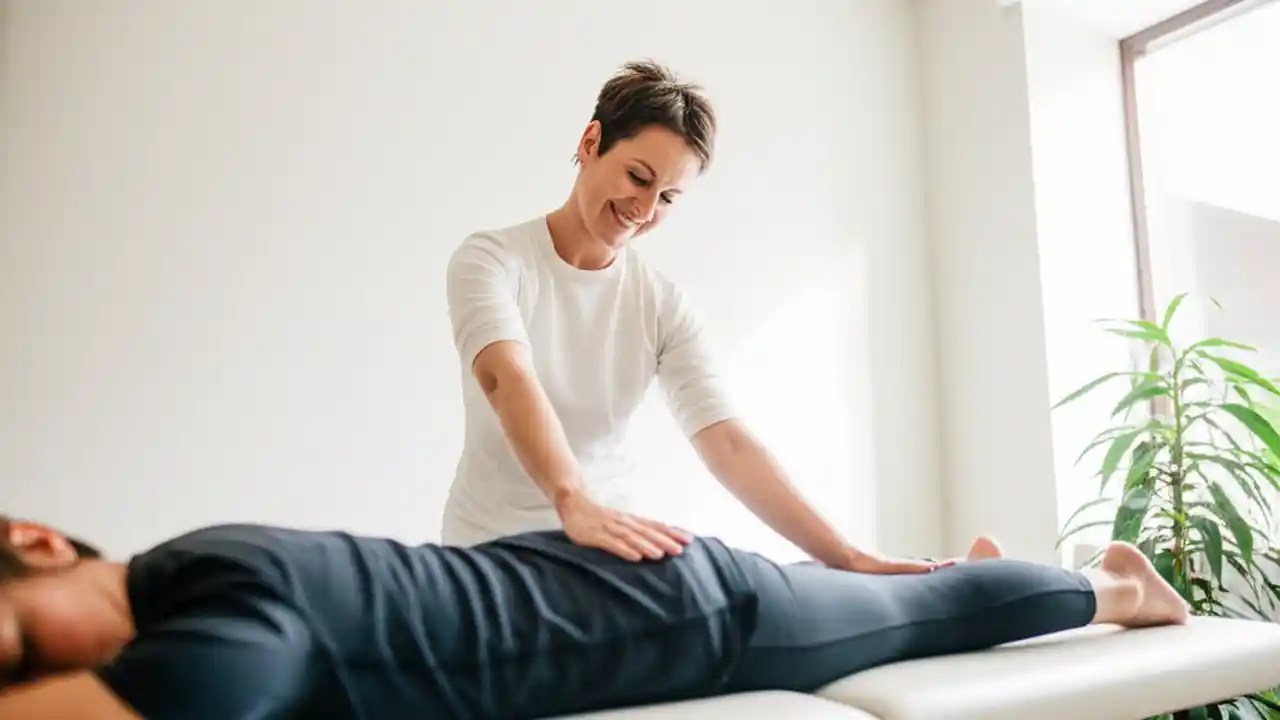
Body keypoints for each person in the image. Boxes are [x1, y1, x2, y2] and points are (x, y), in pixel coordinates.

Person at [443, 58, 934, 573]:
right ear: (591, 143)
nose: (645, 208)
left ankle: (958, 578)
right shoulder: (492, 260)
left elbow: (727, 443)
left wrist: (848, 555)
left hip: (604, 551)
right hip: (487, 554)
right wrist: (573, 501)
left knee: (751, 586)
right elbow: (507, 378)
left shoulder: (660, 304)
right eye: (638, 177)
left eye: (668, 198)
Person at [0, 514, 1188, 719]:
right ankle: (973, 575)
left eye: (8, 649)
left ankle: (1116, 584)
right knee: (902, 601)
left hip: (689, 610)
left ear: (38, 547)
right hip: (577, 578)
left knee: (921, 613)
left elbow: (212, 690)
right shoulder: (186, 575)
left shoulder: (207, 591)